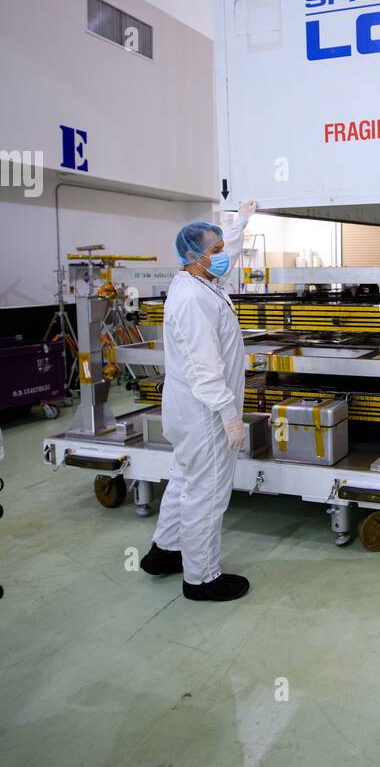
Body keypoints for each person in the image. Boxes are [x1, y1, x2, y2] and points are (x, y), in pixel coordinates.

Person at [140, 201, 257, 601]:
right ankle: (202, 578)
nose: (225, 256)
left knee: (185, 480)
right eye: (217, 250)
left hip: (190, 408)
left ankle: (165, 552)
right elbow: (205, 367)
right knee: (207, 492)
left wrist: (240, 222)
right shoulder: (192, 300)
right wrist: (229, 415)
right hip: (205, 413)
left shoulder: (201, 281)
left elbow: (229, 253)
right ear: (196, 256)